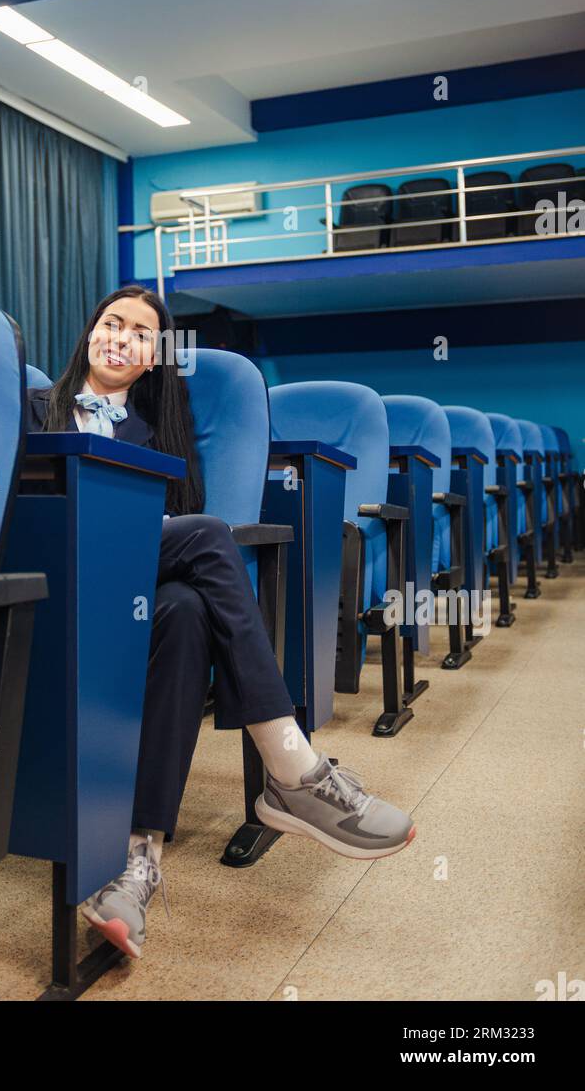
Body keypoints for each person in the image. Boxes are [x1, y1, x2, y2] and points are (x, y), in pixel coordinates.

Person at [26, 285, 415, 961]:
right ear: (88, 334)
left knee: (182, 610)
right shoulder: (30, 409)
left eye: (140, 333)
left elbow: (167, 537)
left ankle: (133, 862)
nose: (120, 338)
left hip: (129, 594)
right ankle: (291, 769)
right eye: (110, 324)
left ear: (154, 358)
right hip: (51, 577)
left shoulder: (163, 437)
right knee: (209, 537)